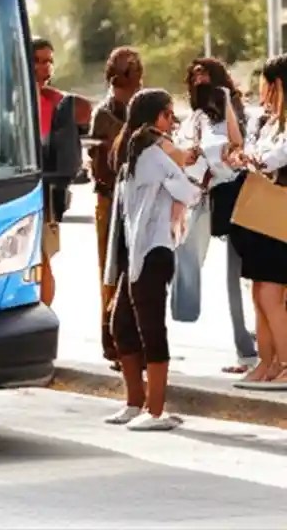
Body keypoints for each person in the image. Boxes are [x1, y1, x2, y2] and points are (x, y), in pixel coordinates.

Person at [102, 88, 202, 430]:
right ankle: (135, 402)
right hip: (138, 250)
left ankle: (156, 410)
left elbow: (189, 190)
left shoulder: (152, 151)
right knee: (122, 326)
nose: (172, 122)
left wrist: (184, 187)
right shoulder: (142, 150)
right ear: (154, 116)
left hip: (154, 250)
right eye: (168, 114)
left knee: (149, 328)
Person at [172, 58, 256, 373]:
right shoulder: (196, 117)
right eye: (194, 75)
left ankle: (249, 351)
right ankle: (248, 348)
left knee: (243, 277)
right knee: (195, 260)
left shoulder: (230, 106)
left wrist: (225, 105)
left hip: (238, 195)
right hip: (209, 198)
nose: (199, 80)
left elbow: (238, 146)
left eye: (204, 73)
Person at [227, 55, 287, 389]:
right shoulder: (267, 122)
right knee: (260, 293)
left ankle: (284, 362)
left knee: (271, 295)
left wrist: (254, 158)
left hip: (279, 220)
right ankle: (268, 361)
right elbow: (253, 153)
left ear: (278, 83)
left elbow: (276, 158)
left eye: (266, 82)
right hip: (261, 219)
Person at [88, 47, 143, 370]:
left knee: (139, 272)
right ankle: (114, 344)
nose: (131, 86)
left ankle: (139, 341)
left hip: (139, 198)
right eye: (125, 79)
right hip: (109, 198)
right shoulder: (103, 114)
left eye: (134, 77)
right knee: (110, 272)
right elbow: (101, 163)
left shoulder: (144, 107)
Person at [32, 38, 92, 306]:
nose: (46, 67)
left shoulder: (57, 102)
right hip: (17, 189)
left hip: (44, 192)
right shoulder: (12, 100)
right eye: (39, 61)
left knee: (42, 259)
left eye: (49, 61)